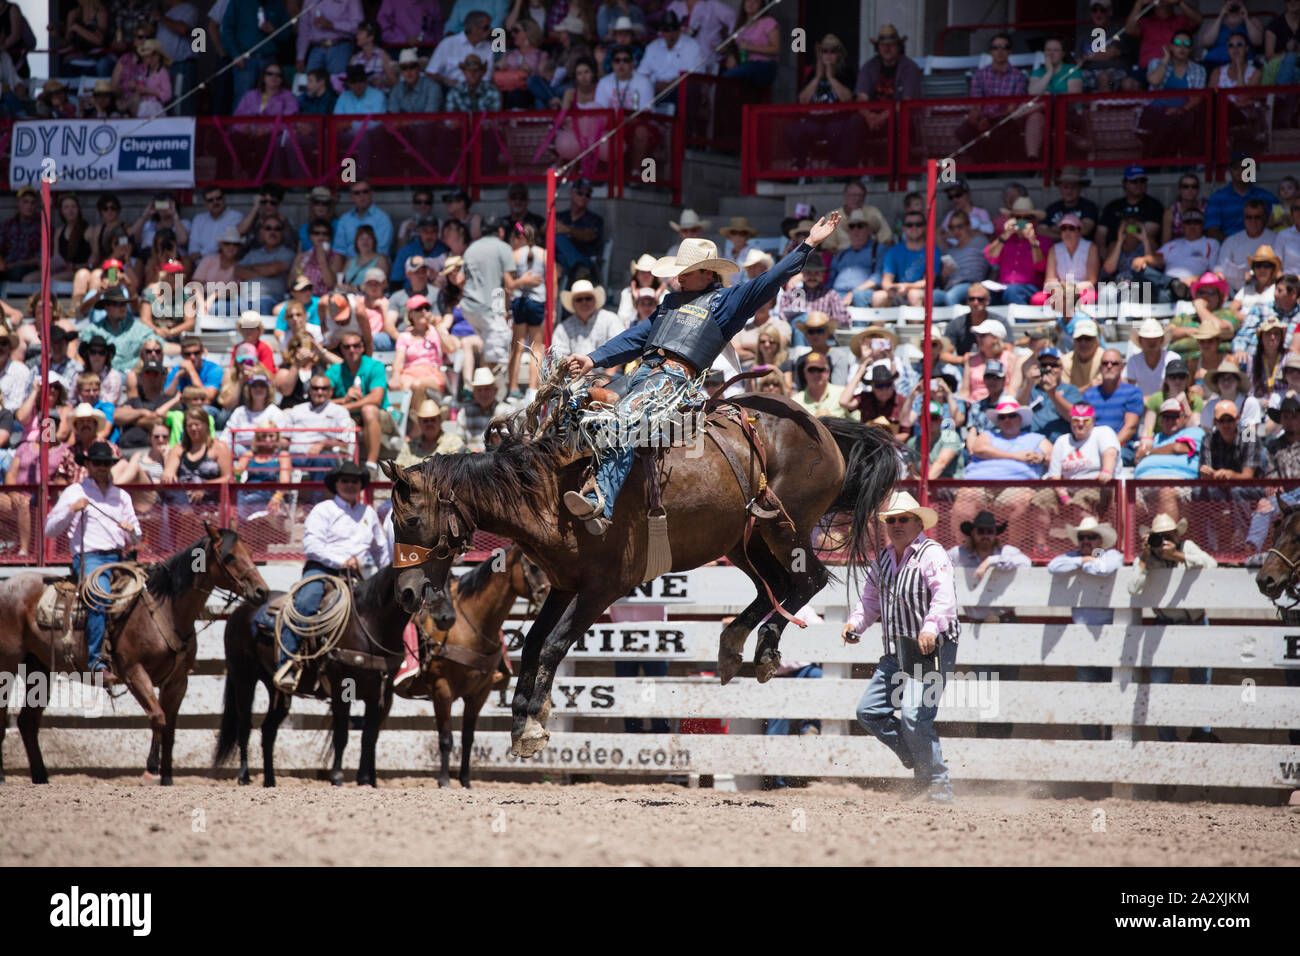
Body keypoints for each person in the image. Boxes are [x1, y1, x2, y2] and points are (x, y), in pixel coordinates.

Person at [564, 217, 840, 533]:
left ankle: (602, 505)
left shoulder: (727, 301)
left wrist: (807, 245)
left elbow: (770, 279)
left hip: (676, 383)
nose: (679, 276)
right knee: (575, 400)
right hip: (641, 374)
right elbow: (637, 336)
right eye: (679, 270)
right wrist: (591, 358)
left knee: (626, 418)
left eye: (687, 270)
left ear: (707, 273)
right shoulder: (669, 302)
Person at [846, 491, 958, 803]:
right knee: (868, 712)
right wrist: (856, 624)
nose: (896, 524)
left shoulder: (932, 554)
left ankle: (938, 786)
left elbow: (944, 596)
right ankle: (920, 761)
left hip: (930, 650)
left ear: (918, 522)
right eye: (891, 520)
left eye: (903, 519)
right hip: (897, 651)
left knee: (913, 717)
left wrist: (931, 626)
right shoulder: (883, 558)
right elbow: (870, 600)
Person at [269, 460, 386, 693]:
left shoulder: (369, 514)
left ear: (361, 485)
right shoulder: (323, 510)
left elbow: (381, 549)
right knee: (305, 603)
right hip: (322, 571)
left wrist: (387, 576)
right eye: (345, 480)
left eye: (355, 481)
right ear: (336, 484)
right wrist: (341, 561)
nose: (350, 485)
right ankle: (289, 664)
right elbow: (312, 546)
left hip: (357, 576)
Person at [44, 442, 142, 681]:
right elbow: (49, 530)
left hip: (119, 558)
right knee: (99, 595)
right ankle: (96, 662)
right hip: (90, 558)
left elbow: (137, 536)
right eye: (97, 462)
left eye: (106, 463)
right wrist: (71, 510)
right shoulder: (74, 492)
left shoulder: (122, 496)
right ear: (87, 465)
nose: (101, 467)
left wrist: (131, 531)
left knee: (149, 593)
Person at [1048, 515, 1124, 739]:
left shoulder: (1111, 554)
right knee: (1086, 695)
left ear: (1101, 539)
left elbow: (1104, 568)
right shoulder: (1075, 557)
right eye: (1082, 537)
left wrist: (1084, 562)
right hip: (1083, 639)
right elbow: (1054, 566)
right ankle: (1092, 742)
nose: (1086, 541)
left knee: (1110, 695)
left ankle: (1108, 741)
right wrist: (1083, 561)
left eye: (1091, 537)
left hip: (1109, 637)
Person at [955, 34, 1028, 164]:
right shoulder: (979, 75)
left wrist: (989, 120)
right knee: (962, 131)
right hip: (983, 119)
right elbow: (976, 105)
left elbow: (1012, 108)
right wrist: (977, 120)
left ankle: (987, 169)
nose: (999, 51)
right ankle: (984, 167)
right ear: (990, 51)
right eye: (995, 48)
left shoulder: (1019, 77)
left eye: (1004, 47)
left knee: (1001, 131)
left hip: (1004, 120)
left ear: (1010, 51)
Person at [327, 332, 393, 471]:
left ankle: (371, 464)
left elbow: (376, 399)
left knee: (368, 409)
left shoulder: (375, 366)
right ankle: (341, 466)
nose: (352, 350)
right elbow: (321, 401)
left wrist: (345, 406)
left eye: (356, 346)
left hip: (380, 415)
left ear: (362, 347)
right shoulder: (334, 370)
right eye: (347, 346)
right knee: (340, 418)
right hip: (349, 418)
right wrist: (344, 399)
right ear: (342, 349)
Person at [283, 375, 357, 475]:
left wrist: (323, 444)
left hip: (323, 456)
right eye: (315, 388)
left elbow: (346, 443)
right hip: (294, 456)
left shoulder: (340, 412)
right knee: (273, 461)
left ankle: (318, 491)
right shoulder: (296, 410)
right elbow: (285, 438)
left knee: (322, 460)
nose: (319, 392)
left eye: (324, 389)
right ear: (309, 390)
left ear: (330, 391)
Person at [871, 211, 946, 307]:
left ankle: (917, 322)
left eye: (918, 224)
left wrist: (906, 287)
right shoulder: (893, 251)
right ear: (903, 228)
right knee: (878, 296)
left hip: (923, 293)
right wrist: (893, 288)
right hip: (899, 291)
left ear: (924, 227)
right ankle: (878, 323)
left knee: (913, 294)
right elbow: (886, 281)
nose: (914, 228)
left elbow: (928, 282)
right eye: (909, 225)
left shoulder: (934, 250)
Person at [984, 198, 1051, 305]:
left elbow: (1041, 266)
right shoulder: (1005, 239)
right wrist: (1005, 235)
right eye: (1017, 217)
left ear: (1034, 221)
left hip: (1029, 288)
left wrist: (1032, 241)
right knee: (981, 293)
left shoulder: (1044, 241)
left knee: (1013, 291)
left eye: (1026, 218)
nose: (1021, 221)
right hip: (1003, 287)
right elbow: (991, 257)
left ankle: (1020, 322)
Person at [638, 12, 702, 94]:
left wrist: (670, 85)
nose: (670, 33)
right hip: (655, 91)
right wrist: (654, 84)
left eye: (674, 29)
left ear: (679, 29)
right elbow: (642, 74)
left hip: (682, 91)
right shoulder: (653, 47)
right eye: (666, 30)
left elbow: (695, 76)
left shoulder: (692, 46)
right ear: (661, 31)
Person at [334, 178, 394, 259]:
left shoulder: (382, 219)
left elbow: (381, 251)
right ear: (351, 197)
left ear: (371, 193)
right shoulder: (344, 220)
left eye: (365, 191)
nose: (361, 196)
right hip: (349, 267)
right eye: (357, 193)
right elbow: (339, 251)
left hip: (375, 266)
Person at [396, 399, 464, 466]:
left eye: (433, 419)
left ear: (439, 420)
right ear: (419, 422)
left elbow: (458, 469)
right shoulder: (409, 446)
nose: (429, 423)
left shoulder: (453, 442)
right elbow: (398, 469)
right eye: (425, 421)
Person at [459, 366, 505, 453]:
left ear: (495, 391)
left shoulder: (505, 411)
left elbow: (509, 443)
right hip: (469, 460)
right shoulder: (464, 412)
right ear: (474, 392)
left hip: (495, 461)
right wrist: (469, 450)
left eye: (487, 389)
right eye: (479, 390)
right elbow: (458, 442)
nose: (483, 393)